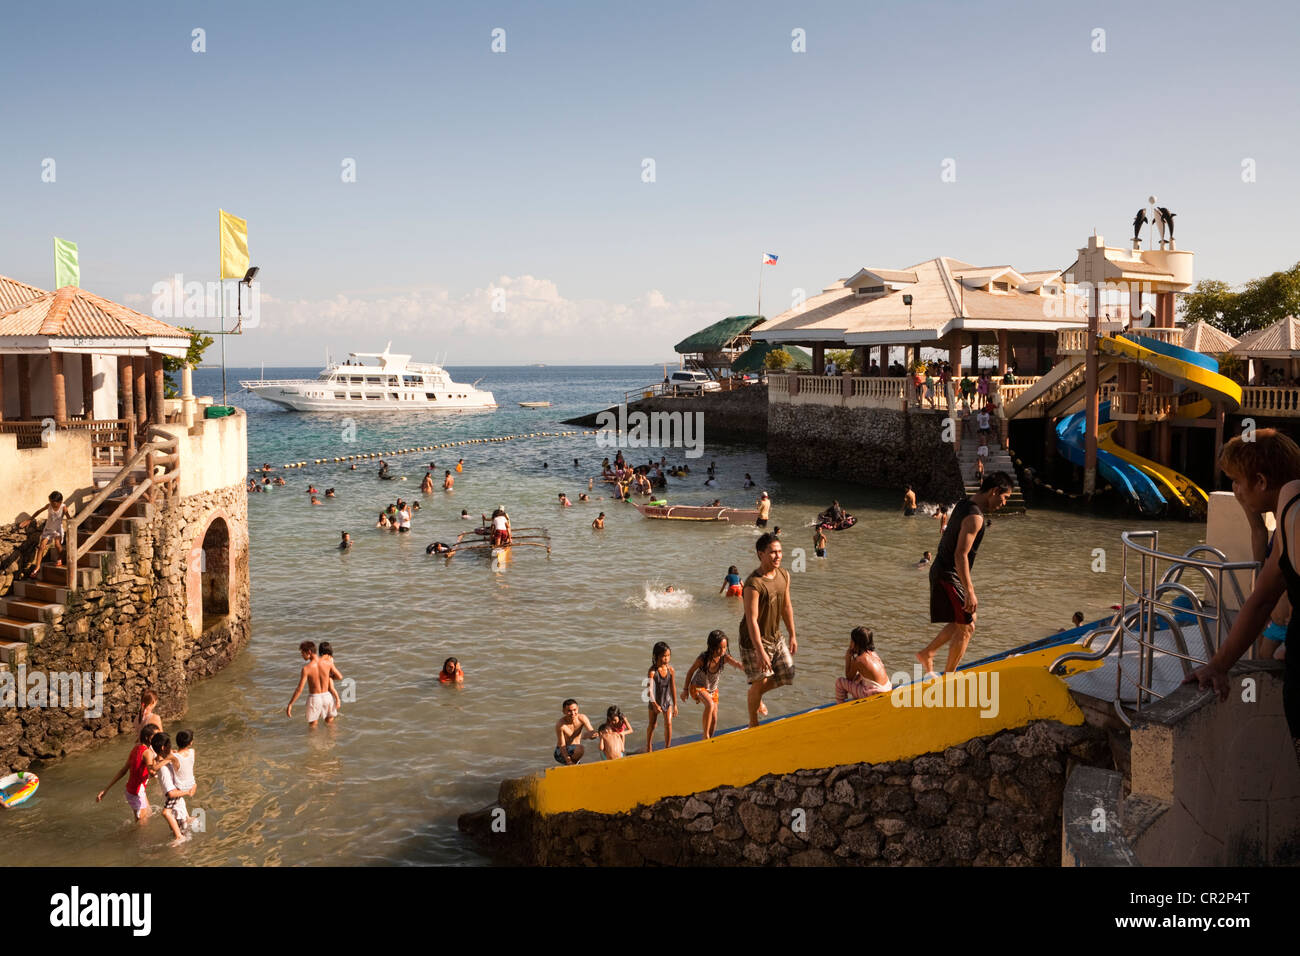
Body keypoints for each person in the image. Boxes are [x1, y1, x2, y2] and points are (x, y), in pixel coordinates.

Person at [1187, 431, 1300, 764]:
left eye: (1238, 481)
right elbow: (1262, 599)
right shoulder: (1287, 517)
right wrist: (1219, 665)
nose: (1236, 489)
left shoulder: (1293, 506)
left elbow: (1264, 600)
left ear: (1261, 481)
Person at [916, 471, 1014, 675]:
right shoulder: (975, 517)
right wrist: (969, 590)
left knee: (967, 618)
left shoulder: (964, 504)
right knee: (967, 627)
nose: (1004, 503)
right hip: (947, 574)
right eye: (1005, 498)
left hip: (945, 572)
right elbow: (960, 554)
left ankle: (928, 653)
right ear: (994, 491)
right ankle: (948, 677)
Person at [739, 532, 797, 727]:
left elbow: (786, 606)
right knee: (760, 680)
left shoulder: (784, 575)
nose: (778, 556)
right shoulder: (753, 584)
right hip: (753, 639)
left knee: (788, 672)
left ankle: (756, 692)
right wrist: (760, 651)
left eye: (780, 551)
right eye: (772, 552)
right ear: (760, 554)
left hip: (775, 635)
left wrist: (792, 635)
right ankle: (753, 723)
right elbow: (751, 620)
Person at [682, 630, 744, 739]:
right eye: (720, 648)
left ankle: (709, 740)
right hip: (697, 687)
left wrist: (746, 667)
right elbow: (690, 672)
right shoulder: (703, 659)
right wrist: (685, 690)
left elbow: (737, 664)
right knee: (709, 705)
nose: (723, 650)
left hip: (713, 690)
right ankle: (705, 736)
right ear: (712, 647)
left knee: (714, 718)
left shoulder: (724, 658)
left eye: (725, 647)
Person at [96, 726, 165, 822]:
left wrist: (106, 789)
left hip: (131, 791)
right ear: (147, 738)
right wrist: (166, 760)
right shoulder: (148, 753)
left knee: (148, 814)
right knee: (143, 825)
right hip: (137, 792)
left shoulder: (136, 749)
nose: (159, 738)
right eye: (156, 736)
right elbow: (152, 772)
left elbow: (123, 770)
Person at [286, 640, 337, 728]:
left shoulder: (306, 669)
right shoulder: (327, 663)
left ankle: (314, 741)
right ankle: (332, 741)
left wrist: (290, 704)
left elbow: (299, 689)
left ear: (309, 652)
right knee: (330, 725)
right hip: (327, 697)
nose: (302, 655)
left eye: (302, 653)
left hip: (315, 698)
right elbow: (336, 676)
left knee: (313, 727)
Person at [835, 626, 893, 702]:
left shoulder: (858, 660)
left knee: (840, 682)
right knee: (859, 677)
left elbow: (849, 677)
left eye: (851, 641)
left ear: (855, 643)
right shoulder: (873, 654)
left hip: (875, 693)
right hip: (887, 688)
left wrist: (848, 659)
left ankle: (840, 705)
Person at [22, 490, 69, 578]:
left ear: (60, 502)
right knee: (41, 546)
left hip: (58, 529)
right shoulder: (49, 506)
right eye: (50, 502)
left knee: (58, 545)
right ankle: (37, 567)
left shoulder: (63, 508)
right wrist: (30, 519)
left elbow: (69, 518)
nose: (52, 504)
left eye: (54, 503)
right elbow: (39, 511)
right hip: (48, 529)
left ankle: (61, 557)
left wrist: (71, 525)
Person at [645, 642, 678, 752]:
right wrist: (654, 704)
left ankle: (667, 747)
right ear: (656, 656)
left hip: (667, 700)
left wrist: (675, 705)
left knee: (668, 723)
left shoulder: (671, 670)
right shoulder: (652, 672)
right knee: (652, 725)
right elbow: (649, 691)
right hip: (654, 701)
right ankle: (648, 745)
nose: (666, 658)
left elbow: (673, 688)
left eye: (668, 655)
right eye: (664, 656)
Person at [554, 699, 597, 765]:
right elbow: (562, 745)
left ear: (578, 709)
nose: (573, 713)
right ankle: (573, 764)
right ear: (563, 711)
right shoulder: (560, 725)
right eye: (569, 711)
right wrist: (568, 760)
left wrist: (593, 735)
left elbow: (591, 732)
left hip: (575, 751)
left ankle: (574, 765)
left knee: (579, 749)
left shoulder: (582, 718)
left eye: (575, 710)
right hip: (560, 752)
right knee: (580, 748)